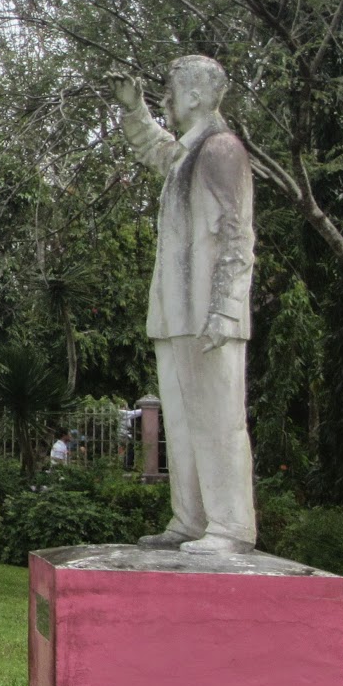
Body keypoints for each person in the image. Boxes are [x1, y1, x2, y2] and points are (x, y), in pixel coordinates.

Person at [113, 56, 255, 554]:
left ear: (196, 95)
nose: (167, 98)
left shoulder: (219, 150)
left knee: (218, 420)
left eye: (171, 89)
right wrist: (135, 110)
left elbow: (238, 239)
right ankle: (191, 520)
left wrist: (226, 311)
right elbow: (157, 151)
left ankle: (231, 527)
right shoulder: (188, 152)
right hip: (177, 313)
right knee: (181, 421)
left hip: (209, 316)